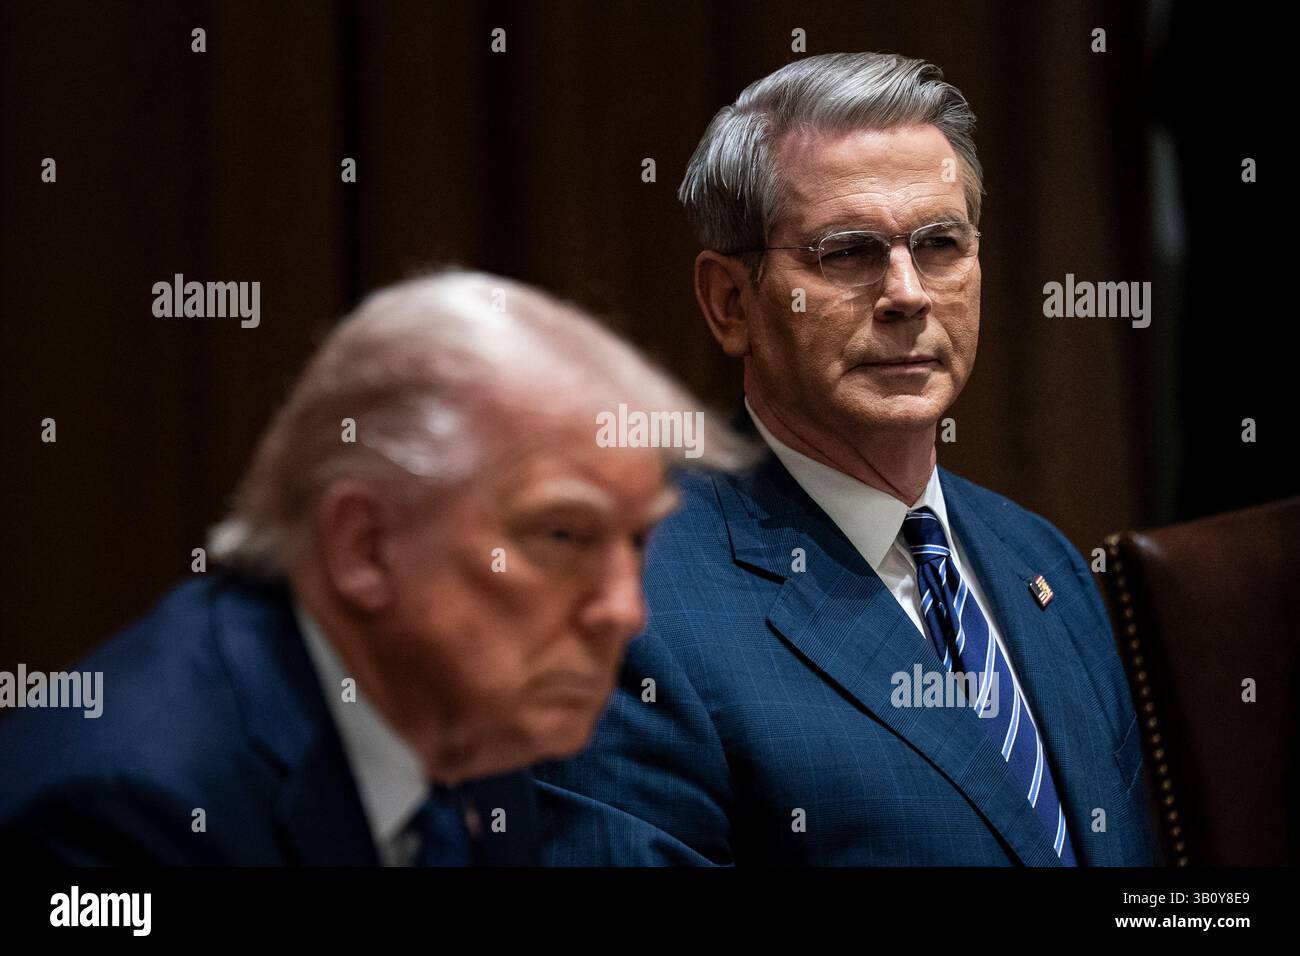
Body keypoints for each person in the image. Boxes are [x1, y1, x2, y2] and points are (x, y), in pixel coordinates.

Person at [535, 53, 1157, 865]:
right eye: (848, 253)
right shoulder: (623, 609)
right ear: (731, 302)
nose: (908, 293)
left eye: (940, 243)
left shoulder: (1044, 562)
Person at [0, 269, 752, 865]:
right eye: (560, 535)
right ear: (362, 546)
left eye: (636, 542)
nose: (624, 610)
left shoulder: (469, 726)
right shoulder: (126, 811)